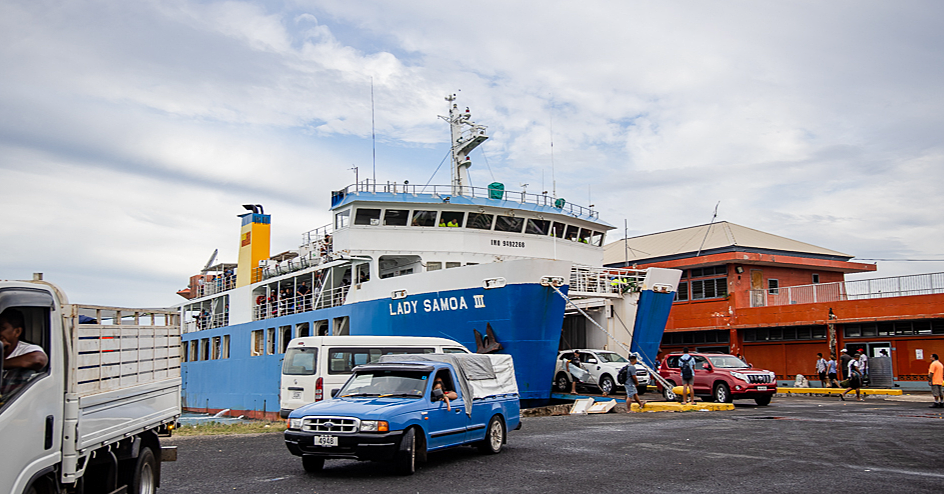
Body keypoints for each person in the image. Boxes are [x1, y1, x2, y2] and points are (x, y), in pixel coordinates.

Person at [1, 308, 49, 397]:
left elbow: (38, 359)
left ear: (17, 331)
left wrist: (2, 364)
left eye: (1, 328)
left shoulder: (26, 349)